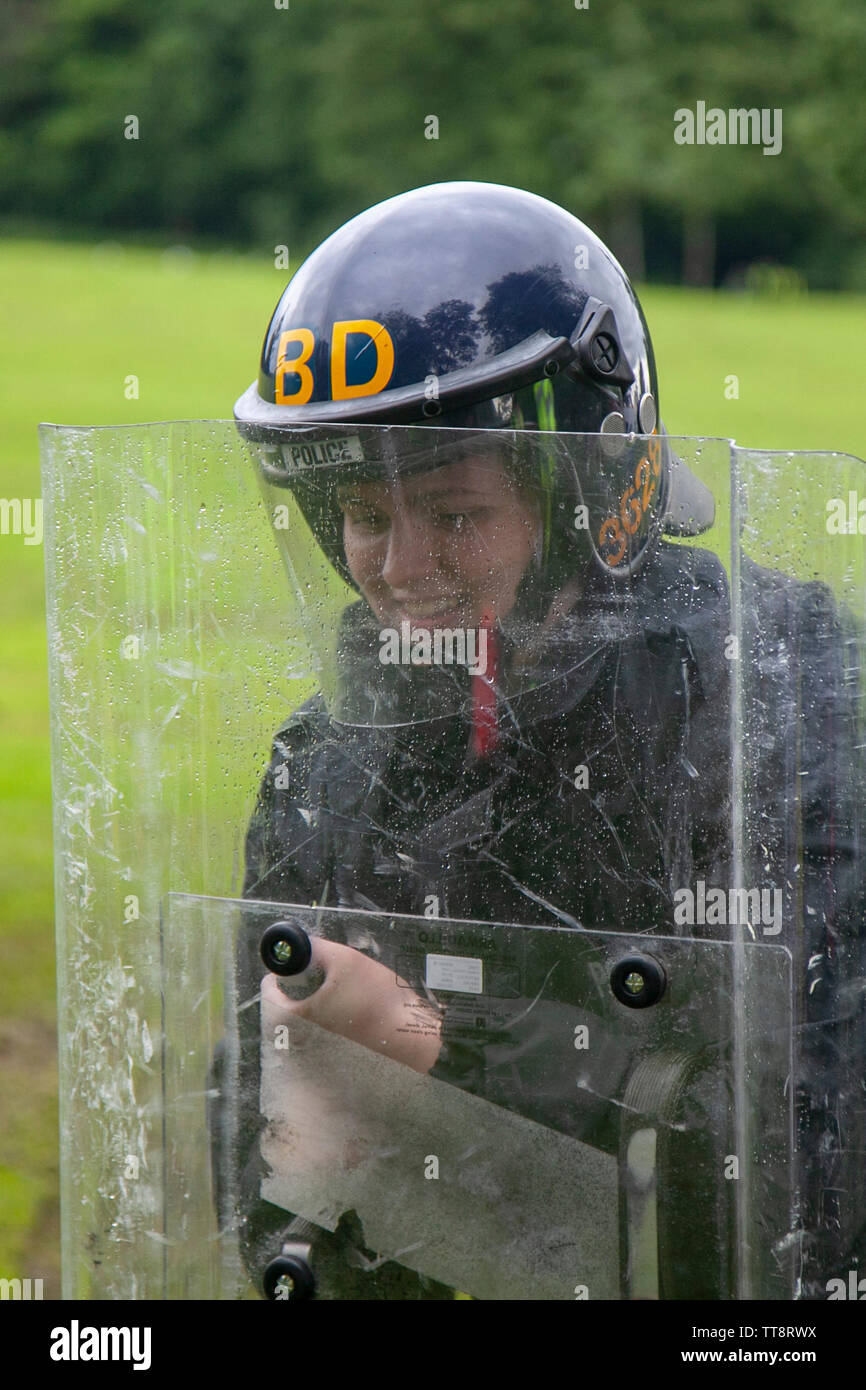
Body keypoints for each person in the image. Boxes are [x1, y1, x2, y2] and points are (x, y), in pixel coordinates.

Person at [230, 182, 865, 1299]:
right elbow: (254, 1152)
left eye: (453, 514)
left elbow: (783, 1169)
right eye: (365, 517)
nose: (398, 569)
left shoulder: (777, 703)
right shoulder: (333, 752)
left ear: (585, 496)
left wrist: (418, 1049)